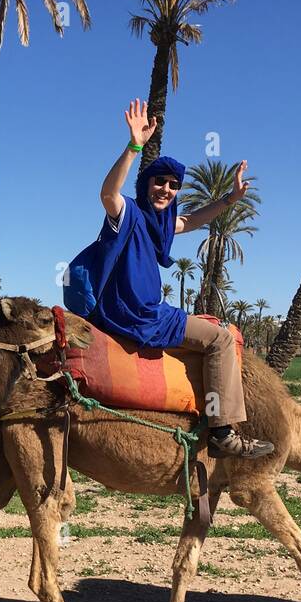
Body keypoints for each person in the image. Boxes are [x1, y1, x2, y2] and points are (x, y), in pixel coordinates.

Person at [66, 99, 273, 459]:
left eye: (174, 185)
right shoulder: (127, 213)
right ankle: (223, 431)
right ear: (147, 184)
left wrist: (229, 199)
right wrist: (134, 146)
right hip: (137, 315)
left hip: (149, 310)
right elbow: (107, 193)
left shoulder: (160, 224)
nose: (166, 189)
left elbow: (191, 221)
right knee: (221, 340)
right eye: (160, 181)